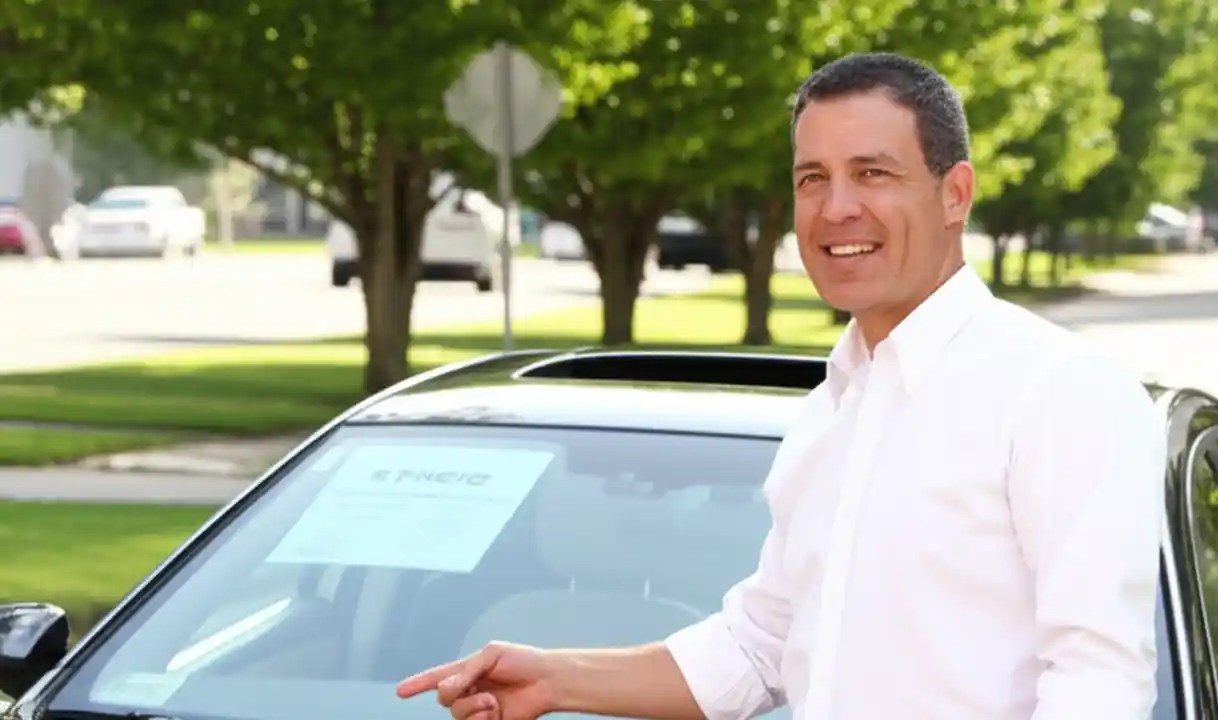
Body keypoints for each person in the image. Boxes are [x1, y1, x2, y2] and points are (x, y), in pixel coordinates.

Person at [396, 51, 1166, 720]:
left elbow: (1098, 681)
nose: (836, 209)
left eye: (873, 173)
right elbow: (760, 646)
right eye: (812, 179)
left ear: (955, 193)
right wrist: (556, 678)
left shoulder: (1060, 391)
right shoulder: (834, 407)